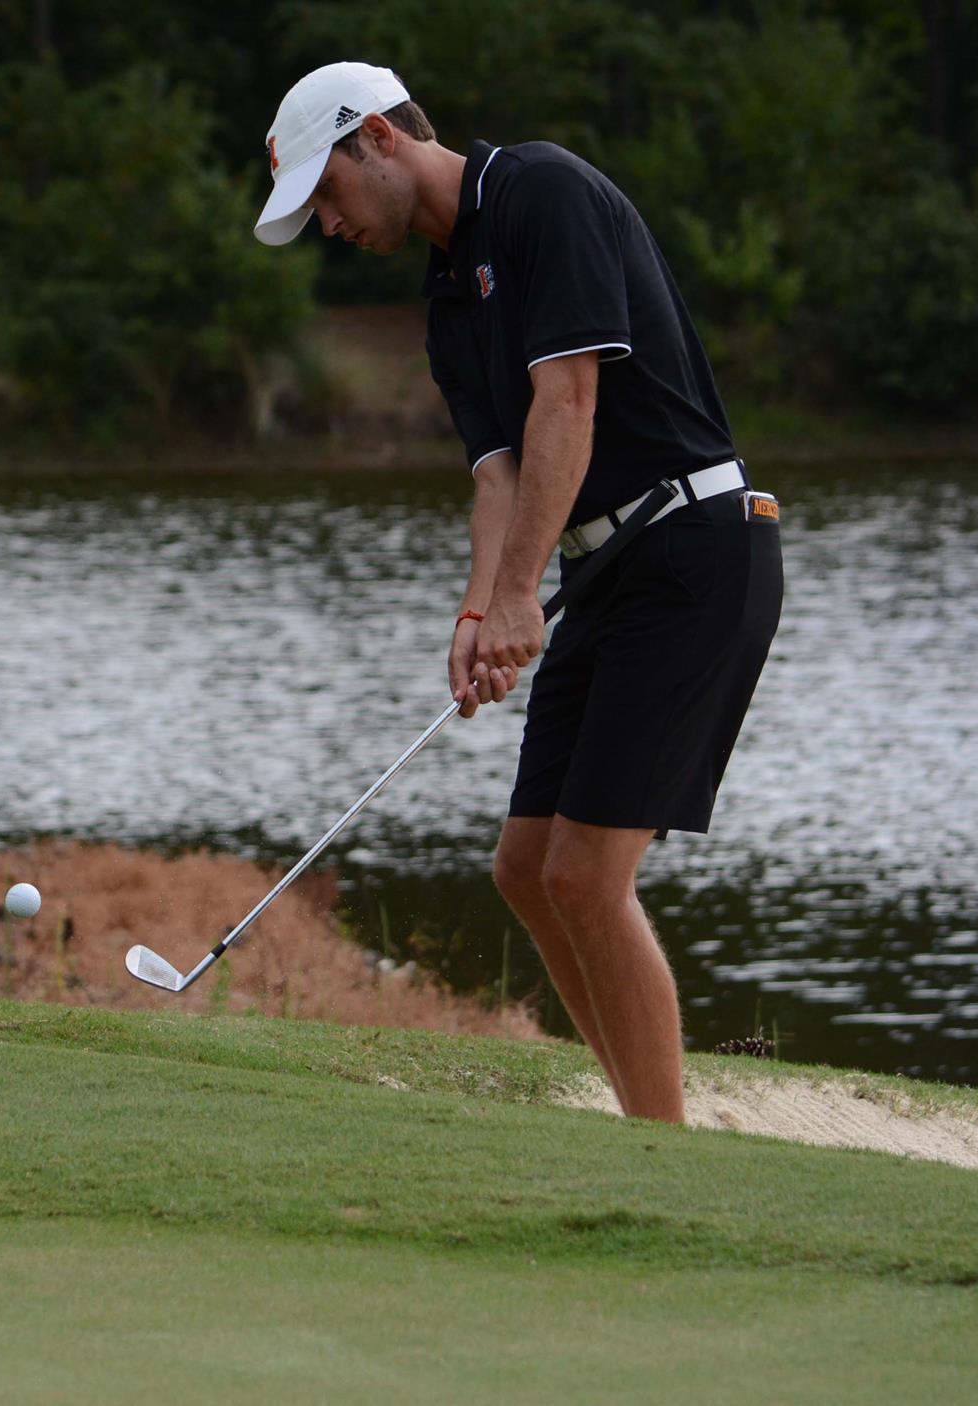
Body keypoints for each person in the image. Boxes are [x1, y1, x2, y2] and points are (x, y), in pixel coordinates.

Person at [251, 63, 784, 1122]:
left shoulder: (545, 194)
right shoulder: (449, 301)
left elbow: (570, 403)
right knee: (525, 866)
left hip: (693, 549)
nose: (327, 224)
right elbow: (497, 476)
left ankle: (662, 1146)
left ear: (379, 140)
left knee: (586, 875)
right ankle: (641, 1111)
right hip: (604, 570)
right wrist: (475, 611)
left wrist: (516, 600)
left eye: (327, 192)